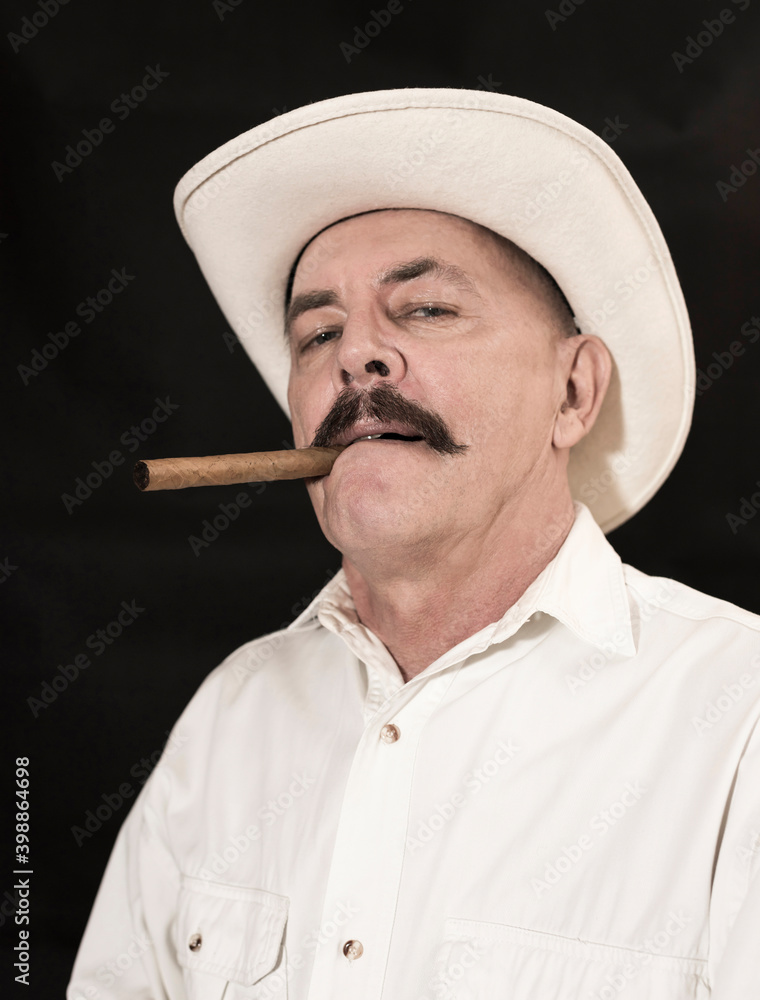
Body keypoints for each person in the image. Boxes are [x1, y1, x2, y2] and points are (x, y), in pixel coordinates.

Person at [68, 89, 760, 1000]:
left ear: (573, 394)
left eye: (425, 310)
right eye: (318, 333)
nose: (357, 357)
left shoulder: (735, 713)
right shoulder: (235, 713)